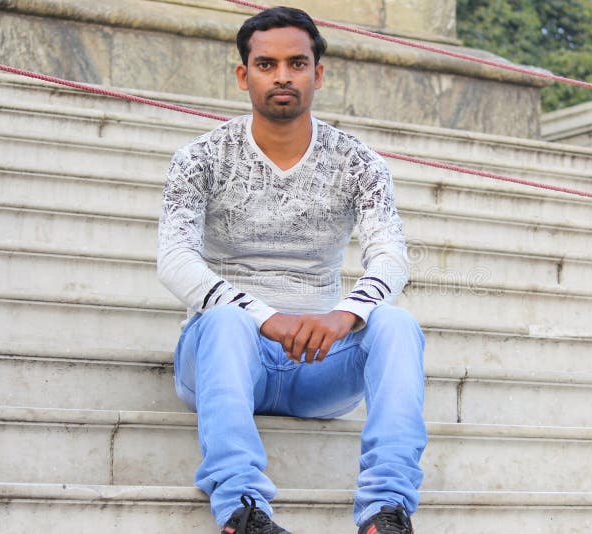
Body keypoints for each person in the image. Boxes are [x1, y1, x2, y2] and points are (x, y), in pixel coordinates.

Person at [157, 6, 426, 533]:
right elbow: (174, 257)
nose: (282, 75)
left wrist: (344, 315)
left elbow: (391, 254)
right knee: (222, 322)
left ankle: (385, 511)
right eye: (266, 64)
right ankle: (241, 509)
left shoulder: (358, 162)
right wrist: (263, 317)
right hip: (229, 355)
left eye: (297, 63)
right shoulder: (200, 158)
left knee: (397, 324)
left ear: (318, 74)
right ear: (244, 75)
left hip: (319, 360)